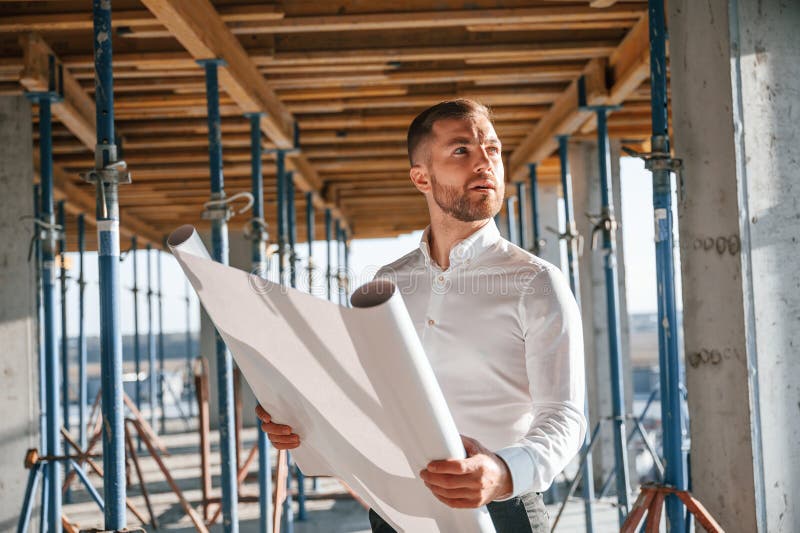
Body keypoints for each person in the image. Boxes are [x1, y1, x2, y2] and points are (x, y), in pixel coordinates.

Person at [255, 99, 586, 532]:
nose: (485, 162)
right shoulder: (386, 285)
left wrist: (502, 472)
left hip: (502, 512)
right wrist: (300, 422)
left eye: (493, 149)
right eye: (462, 150)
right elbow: (365, 399)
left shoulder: (536, 281)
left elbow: (565, 415)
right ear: (421, 177)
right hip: (396, 510)